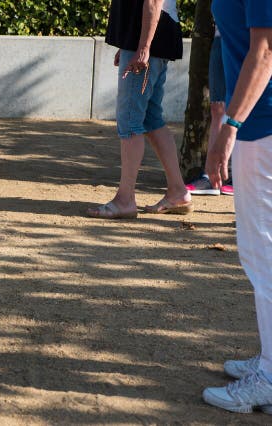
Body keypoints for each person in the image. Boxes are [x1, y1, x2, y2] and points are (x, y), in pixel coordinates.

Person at [202, 0, 272, 413]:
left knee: (261, 251)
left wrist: (230, 127)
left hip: (261, 125)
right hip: (259, 123)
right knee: (261, 249)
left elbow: (265, 51)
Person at [87, 0, 192, 219]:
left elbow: (153, 2)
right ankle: (178, 192)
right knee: (151, 120)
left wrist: (143, 47)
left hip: (149, 42)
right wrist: (130, 45)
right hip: (151, 39)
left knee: (130, 120)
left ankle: (125, 200)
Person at [185, 25, 235, 196]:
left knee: (243, 107)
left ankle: (236, 175)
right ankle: (210, 176)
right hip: (221, 35)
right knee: (217, 108)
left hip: (245, 37)